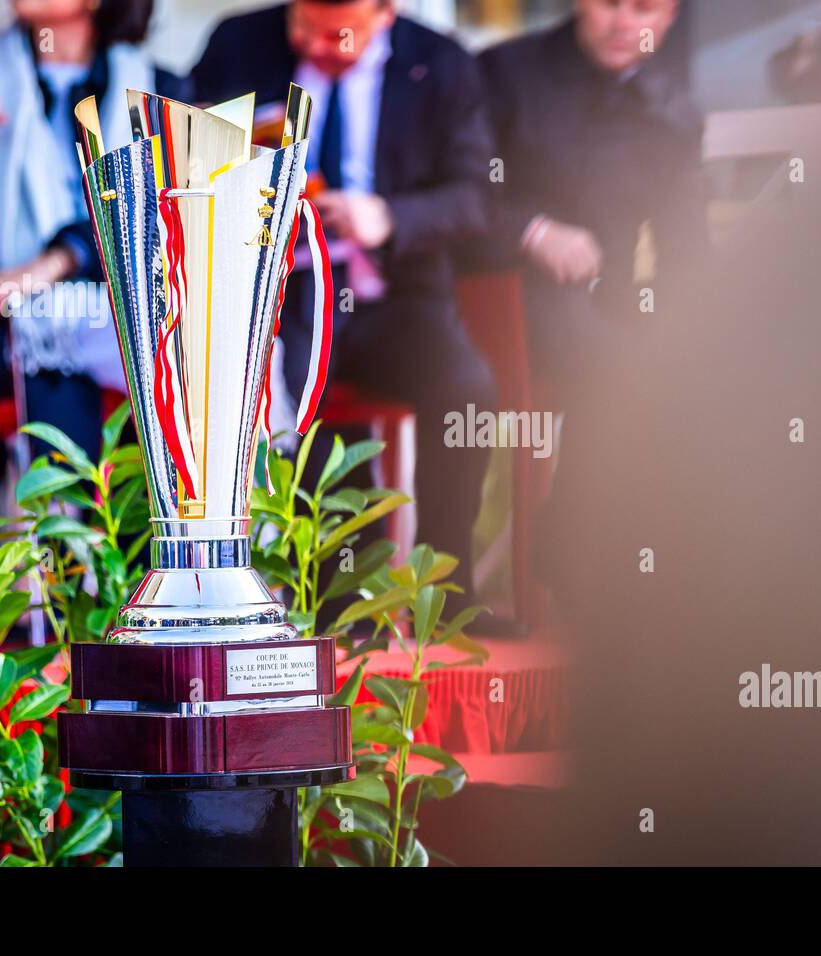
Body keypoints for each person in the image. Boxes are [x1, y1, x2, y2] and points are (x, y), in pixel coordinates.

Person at [193, 0, 497, 594]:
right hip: (284, 298)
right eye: (300, 28)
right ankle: (328, 604)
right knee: (304, 396)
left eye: (336, 37)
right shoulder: (237, 44)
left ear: (385, 14)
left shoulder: (440, 63)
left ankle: (446, 588)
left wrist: (387, 216)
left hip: (395, 296)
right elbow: (185, 159)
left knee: (468, 390)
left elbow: (477, 197)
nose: (313, 47)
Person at [0, 0, 189, 531]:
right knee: (58, 364)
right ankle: (65, 582)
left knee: (167, 356)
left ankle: (125, 578)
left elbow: (165, 217)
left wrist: (58, 261)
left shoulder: (160, 89)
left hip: (115, 327)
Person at [478, 0, 705, 391]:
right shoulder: (504, 73)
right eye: (610, 4)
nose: (623, 24)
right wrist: (531, 231)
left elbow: (686, 248)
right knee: (626, 373)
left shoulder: (674, 113)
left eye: (643, 9)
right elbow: (451, 194)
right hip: (501, 289)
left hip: (610, 299)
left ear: (669, 16)